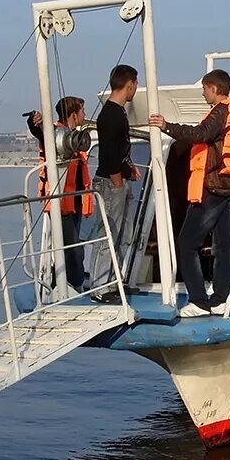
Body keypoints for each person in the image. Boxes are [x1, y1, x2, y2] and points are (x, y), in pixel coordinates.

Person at [148, 69, 230, 317]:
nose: (203, 93)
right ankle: (219, 300)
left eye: (205, 89)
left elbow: (200, 134)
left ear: (214, 89)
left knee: (187, 243)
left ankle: (198, 301)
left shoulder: (221, 111)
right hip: (227, 185)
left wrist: (166, 126)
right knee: (223, 243)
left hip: (213, 186)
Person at [27, 96, 92, 292]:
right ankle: (74, 284)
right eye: (82, 111)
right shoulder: (55, 133)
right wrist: (34, 121)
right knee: (71, 248)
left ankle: (70, 281)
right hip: (62, 201)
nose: (85, 115)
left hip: (76, 201)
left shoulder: (74, 136)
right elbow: (39, 131)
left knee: (73, 245)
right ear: (74, 114)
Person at [90, 64, 141, 302]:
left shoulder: (117, 112)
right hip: (110, 184)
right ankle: (100, 287)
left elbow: (119, 150)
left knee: (122, 234)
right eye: (135, 85)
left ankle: (115, 281)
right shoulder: (110, 115)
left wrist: (129, 170)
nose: (135, 90)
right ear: (129, 84)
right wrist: (118, 182)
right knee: (109, 232)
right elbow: (108, 153)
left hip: (118, 180)